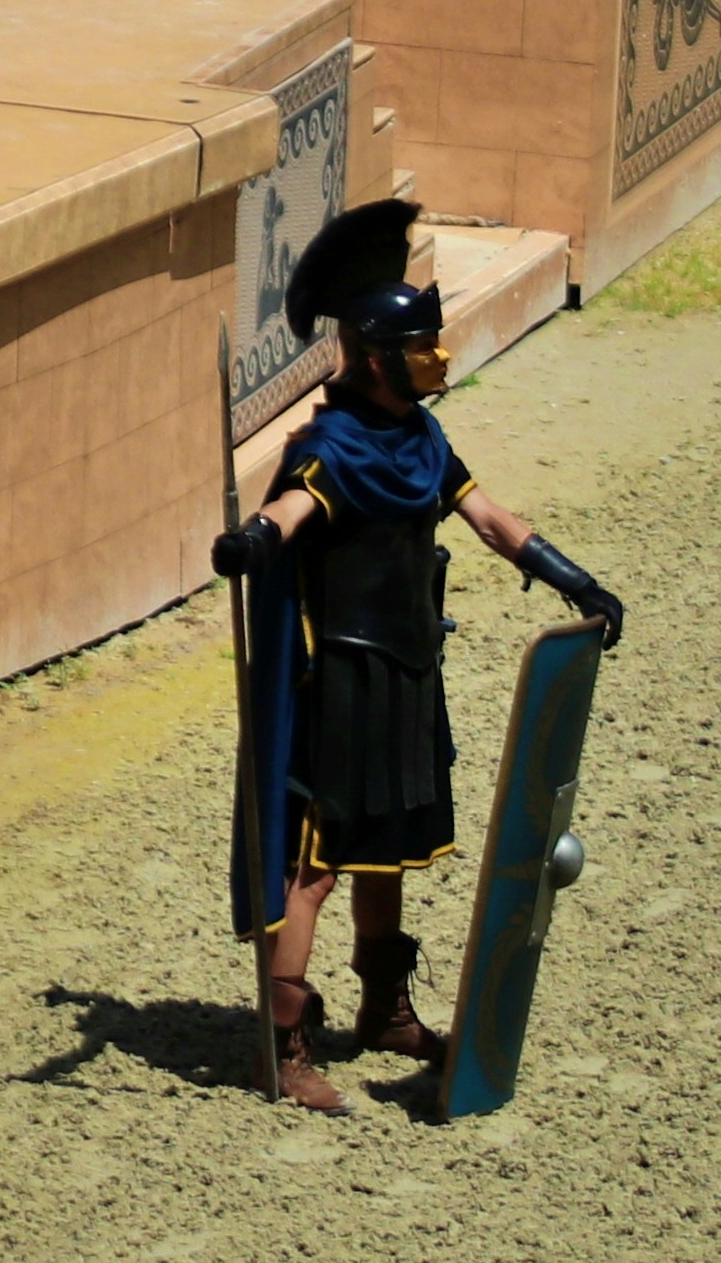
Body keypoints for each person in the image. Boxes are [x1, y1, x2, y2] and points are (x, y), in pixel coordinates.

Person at [210, 200, 621, 1112]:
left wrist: (572, 579)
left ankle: (386, 1011)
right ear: (375, 354)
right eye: (420, 344)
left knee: (388, 853)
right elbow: (293, 513)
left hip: (406, 676)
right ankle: (284, 1048)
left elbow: (488, 517)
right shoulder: (331, 448)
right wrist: (252, 543)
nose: (436, 356)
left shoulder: (422, 440)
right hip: (340, 687)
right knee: (315, 871)